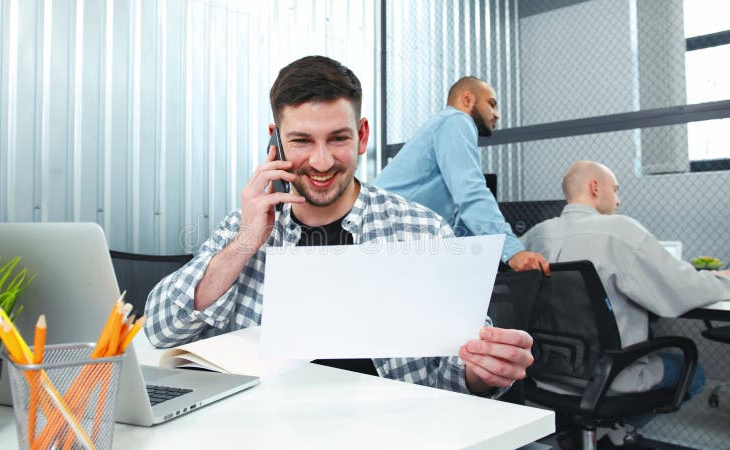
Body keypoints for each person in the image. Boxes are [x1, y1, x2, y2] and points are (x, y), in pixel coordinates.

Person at [144, 56, 533, 396]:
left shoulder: (422, 231)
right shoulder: (247, 224)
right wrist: (246, 241)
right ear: (275, 141)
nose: (322, 161)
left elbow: (453, 379)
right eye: (300, 141)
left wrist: (483, 372)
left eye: (338, 138)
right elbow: (161, 330)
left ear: (362, 136)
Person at [521, 160, 730, 443]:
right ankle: (613, 434)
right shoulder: (620, 230)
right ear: (595, 187)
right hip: (609, 378)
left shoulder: (533, 236)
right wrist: (723, 279)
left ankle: (593, 434)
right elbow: (685, 289)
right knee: (694, 373)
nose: (619, 200)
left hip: (544, 374)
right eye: (615, 190)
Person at [373, 76, 549, 275]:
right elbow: (471, 192)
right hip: (385, 242)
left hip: (386, 242)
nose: (497, 114)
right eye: (491, 104)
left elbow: (460, 215)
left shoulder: (442, 126)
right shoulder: (456, 121)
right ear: (467, 99)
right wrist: (513, 251)